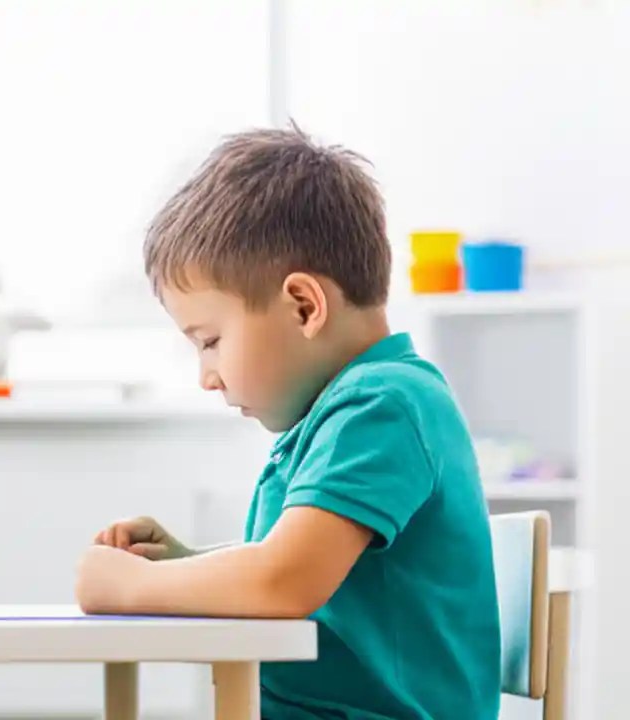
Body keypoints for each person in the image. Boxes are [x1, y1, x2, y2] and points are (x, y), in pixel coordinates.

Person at [75, 127, 501, 719]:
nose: (208, 375)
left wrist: (128, 589)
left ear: (304, 306)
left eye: (211, 341)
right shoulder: (348, 408)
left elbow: (284, 581)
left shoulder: (381, 405)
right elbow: (302, 569)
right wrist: (184, 561)